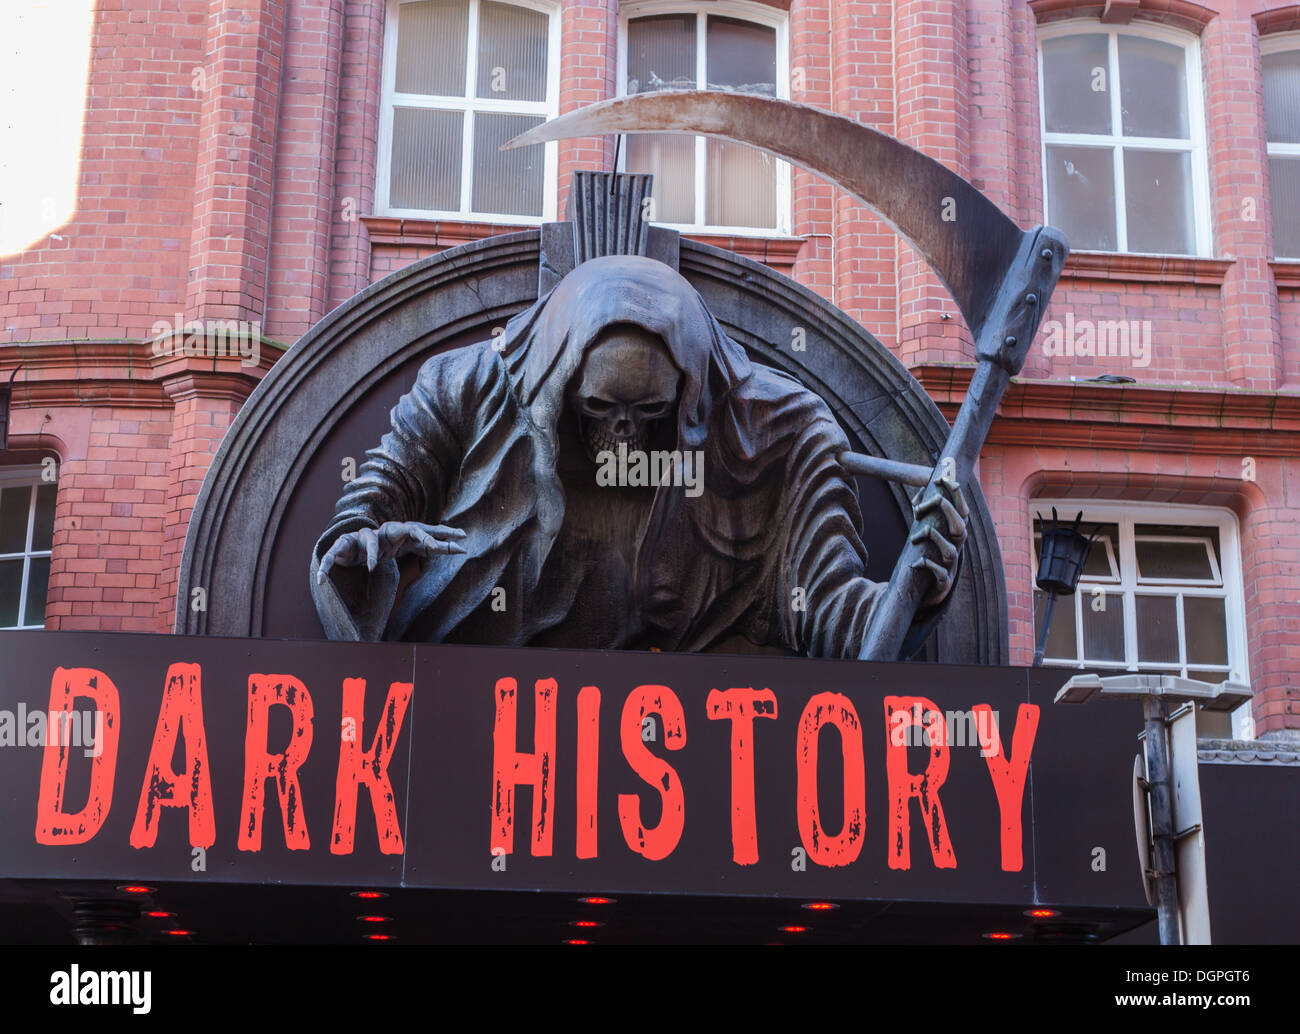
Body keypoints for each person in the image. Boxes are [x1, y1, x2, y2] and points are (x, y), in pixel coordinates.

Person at [310, 254, 965, 658]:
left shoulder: (781, 433)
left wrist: (916, 581)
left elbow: (830, 613)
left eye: (649, 414)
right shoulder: (464, 388)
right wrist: (356, 547)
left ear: (690, 395)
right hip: (471, 727)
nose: (623, 438)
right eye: (600, 411)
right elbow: (383, 489)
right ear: (558, 386)